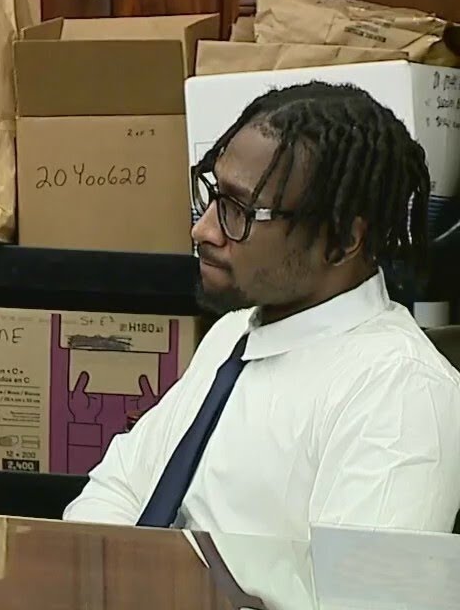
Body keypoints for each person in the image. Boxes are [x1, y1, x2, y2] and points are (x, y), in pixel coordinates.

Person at [63, 80, 460, 538]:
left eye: (241, 211)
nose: (203, 230)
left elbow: (358, 582)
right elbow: (116, 489)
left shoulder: (400, 393)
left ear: (342, 239)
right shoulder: (232, 334)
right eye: (213, 195)